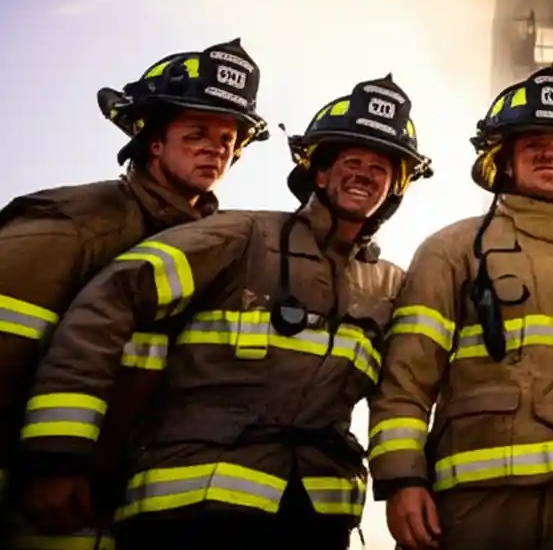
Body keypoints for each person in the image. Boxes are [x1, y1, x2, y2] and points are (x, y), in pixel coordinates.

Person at [17, 75, 430, 550]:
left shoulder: (391, 286)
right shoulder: (239, 237)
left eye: (380, 168)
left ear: (394, 189)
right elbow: (107, 304)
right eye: (350, 161)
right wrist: (57, 454)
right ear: (318, 173)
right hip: (191, 511)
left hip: (316, 516)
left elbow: (411, 387)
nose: (364, 174)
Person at [0, 39, 268, 549]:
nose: (216, 147)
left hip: (140, 506)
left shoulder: (220, 246)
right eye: (196, 133)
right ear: (152, 141)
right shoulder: (73, 223)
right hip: (43, 504)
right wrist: (48, 463)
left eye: (229, 136)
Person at [370, 62, 553, 550]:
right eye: (533, 145)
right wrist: (403, 480)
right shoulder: (454, 250)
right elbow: (406, 379)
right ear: (503, 160)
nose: (549, 155)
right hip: (477, 505)